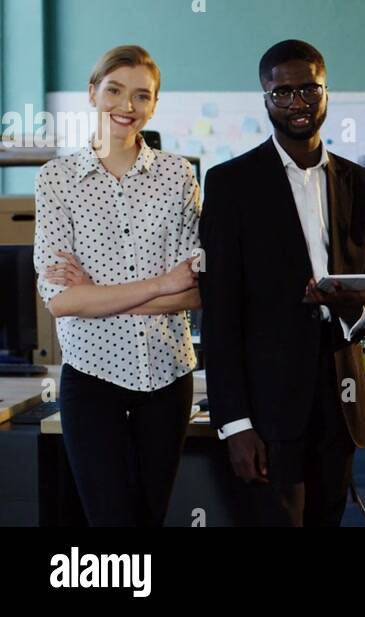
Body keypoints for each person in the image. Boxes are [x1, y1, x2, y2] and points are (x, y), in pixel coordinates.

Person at [199, 40, 365, 526]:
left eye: (308, 89)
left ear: (326, 92)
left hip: (340, 399)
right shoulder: (230, 184)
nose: (297, 104)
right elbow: (219, 314)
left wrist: (356, 312)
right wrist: (234, 424)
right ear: (265, 99)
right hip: (266, 410)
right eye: (282, 93)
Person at [34, 45, 202, 526]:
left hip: (168, 377)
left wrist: (100, 296)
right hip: (92, 379)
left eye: (141, 95)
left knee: (149, 518)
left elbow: (193, 292)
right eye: (115, 90)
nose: (127, 106)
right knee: (111, 521)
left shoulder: (178, 175)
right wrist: (160, 284)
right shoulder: (57, 179)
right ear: (93, 93)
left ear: (154, 105)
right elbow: (62, 301)